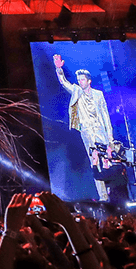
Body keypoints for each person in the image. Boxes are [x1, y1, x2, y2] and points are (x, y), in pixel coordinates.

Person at [53, 54, 113, 200]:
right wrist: (58, 69)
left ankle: (112, 190)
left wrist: (110, 139)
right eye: (79, 80)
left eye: (82, 80)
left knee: (107, 161)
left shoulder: (98, 95)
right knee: (95, 162)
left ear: (89, 81)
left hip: (100, 131)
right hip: (87, 131)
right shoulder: (76, 91)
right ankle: (103, 196)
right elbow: (64, 82)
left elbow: (106, 117)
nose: (80, 82)